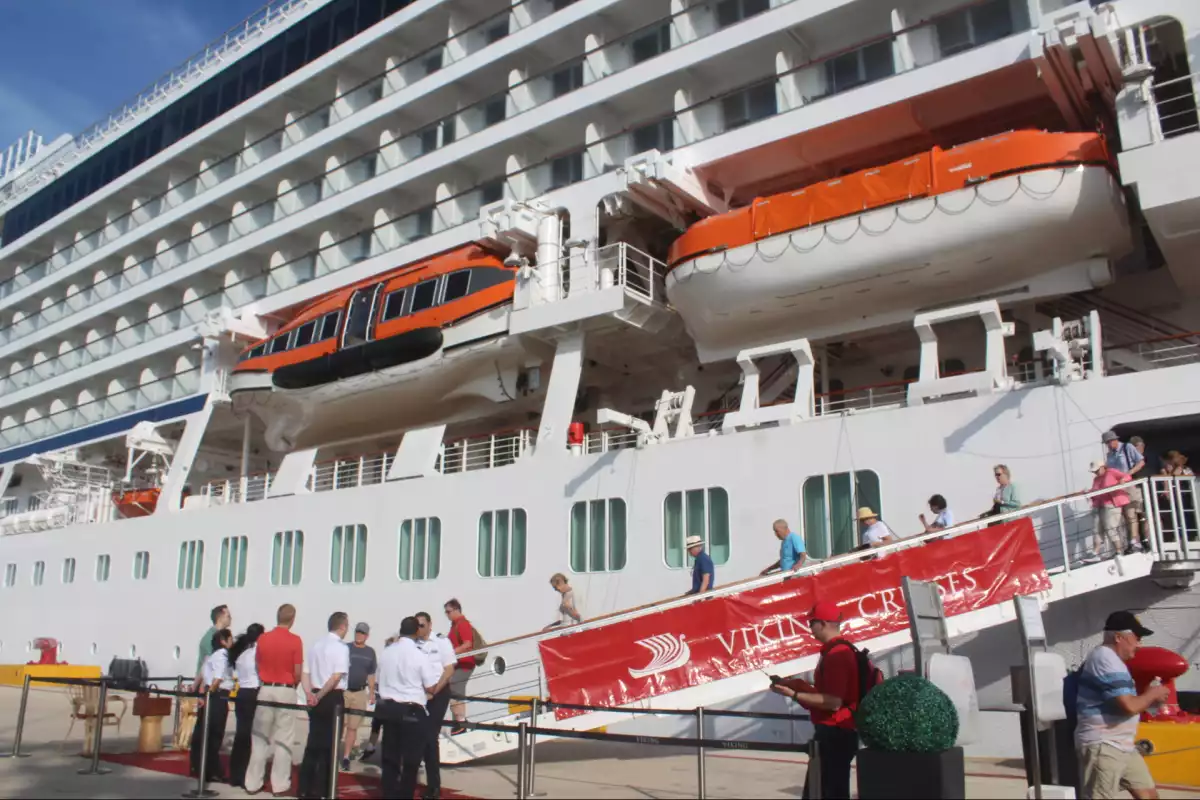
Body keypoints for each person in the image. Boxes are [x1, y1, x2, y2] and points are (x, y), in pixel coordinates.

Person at [770, 602, 863, 799]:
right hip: (838, 732)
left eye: (812, 623)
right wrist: (795, 686)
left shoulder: (836, 655)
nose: (810, 627)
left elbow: (833, 702)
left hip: (834, 733)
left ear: (823, 624)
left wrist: (793, 694)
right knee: (823, 791)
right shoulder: (837, 650)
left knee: (826, 792)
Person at [1075, 611, 1170, 800]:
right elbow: (1129, 706)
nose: (1139, 644)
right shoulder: (1104, 658)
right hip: (1104, 745)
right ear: (1118, 637)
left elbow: (1127, 704)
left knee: (1149, 794)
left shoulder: (1114, 662)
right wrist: (1153, 694)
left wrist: (1148, 697)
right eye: (1137, 638)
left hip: (1122, 744)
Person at [377, 617, 443, 800]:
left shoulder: (387, 652)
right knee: (411, 761)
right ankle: (405, 795)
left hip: (389, 708)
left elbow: (379, 678)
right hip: (411, 710)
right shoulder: (418, 655)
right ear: (416, 632)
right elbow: (431, 686)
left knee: (390, 758)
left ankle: (389, 794)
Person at [245, 604, 304, 796]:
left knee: (259, 738)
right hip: (285, 688)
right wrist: (293, 684)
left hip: (266, 688)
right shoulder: (295, 640)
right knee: (284, 739)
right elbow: (297, 671)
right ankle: (279, 784)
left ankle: (253, 782)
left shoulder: (263, 638)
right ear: (292, 619)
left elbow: (257, 663)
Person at [299, 611, 350, 799]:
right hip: (331, 696)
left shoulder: (316, 644)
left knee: (313, 742)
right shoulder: (341, 648)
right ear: (342, 627)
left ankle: (305, 787)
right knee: (330, 745)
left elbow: (305, 673)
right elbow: (336, 677)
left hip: (315, 694)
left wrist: (309, 694)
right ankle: (324, 789)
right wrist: (319, 696)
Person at [417, 611, 457, 799]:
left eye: (422, 625)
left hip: (438, 693)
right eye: (417, 626)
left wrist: (434, 691)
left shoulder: (441, 642)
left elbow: (449, 669)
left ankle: (434, 786)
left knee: (430, 737)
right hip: (420, 695)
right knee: (418, 737)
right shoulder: (414, 644)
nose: (419, 629)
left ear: (430, 625)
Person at [190, 628, 233, 783]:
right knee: (215, 735)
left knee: (204, 733)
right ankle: (212, 770)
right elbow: (218, 678)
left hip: (211, 695)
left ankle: (199, 766)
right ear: (223, 641)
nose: (232, 642)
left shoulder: (212, 656)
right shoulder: (222, 655)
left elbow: (204, 674)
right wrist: (210, 693)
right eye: (230, 639)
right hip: (217, 695)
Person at [228, 622, 265, 789]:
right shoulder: (257, 652)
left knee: (241, 733)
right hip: (253, 692)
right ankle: (246, 774)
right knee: (251, 735)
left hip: (241, 693)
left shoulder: (242, 653)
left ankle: (236, 772)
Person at [341, 622, 377, 772]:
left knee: (352, 727)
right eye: (357, 632)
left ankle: (346, 757)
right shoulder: (346, 648)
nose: (359, 635)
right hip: (344, 691)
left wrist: (372, 692)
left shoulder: (370, 652)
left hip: (360, 693)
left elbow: (371, 674)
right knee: (340, 723)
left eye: (362, 633)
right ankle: (333, 751)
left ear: (367, 636)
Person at [1104, 431, 1148, 551]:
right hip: (1118, 487)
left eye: (1109, 442)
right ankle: (1132, 542)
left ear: (1115, 440)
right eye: (1107, 443)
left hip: (1129, 484)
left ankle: (1137, 541)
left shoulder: (1127, 447)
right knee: (1126, 516)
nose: (1108, 445)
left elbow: (1141, 462)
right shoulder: (1109, 455)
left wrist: (1128, 474)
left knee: (1134, 513)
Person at [359, 634, 399, 762]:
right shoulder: (385, 661)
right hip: (385, 697)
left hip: (390, 698)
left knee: (382, 724)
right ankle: (372, 747)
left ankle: (375, 748)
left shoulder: (390, 661)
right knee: (378, 722)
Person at [1087, 461, 1134, 561]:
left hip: (1112, 504)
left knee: (1110, 527)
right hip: (1099, 505)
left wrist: (1123, 480)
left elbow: (1127, 476)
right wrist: (1088, 493)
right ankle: (1095, 553)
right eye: (1094, 471)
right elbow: (1095, 491)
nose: (1095, 473)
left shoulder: (1111, 472)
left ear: (1102, 467)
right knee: (1097, 529)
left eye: (1097, 470)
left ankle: (1118, 551)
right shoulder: (1096, 479)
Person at [444, 599, 476, 735]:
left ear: (456, 610)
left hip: (465, 663)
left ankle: (461, 722)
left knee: (454, 688)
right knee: (455, 690)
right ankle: (459, 722)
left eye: (448, 611)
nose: (447, 615)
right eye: (446, 612)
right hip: (458, 664)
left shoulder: (462, 624)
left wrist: (452, 652)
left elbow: (467, 644)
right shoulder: (455, 624)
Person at [194, 604, 231, 690]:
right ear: (220, 618)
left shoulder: (220, 636)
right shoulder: (211, 638)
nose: (231, 619)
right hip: (208, 685)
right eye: (228, 616)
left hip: (216, 684)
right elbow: (207, 664)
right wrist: (202, 688)